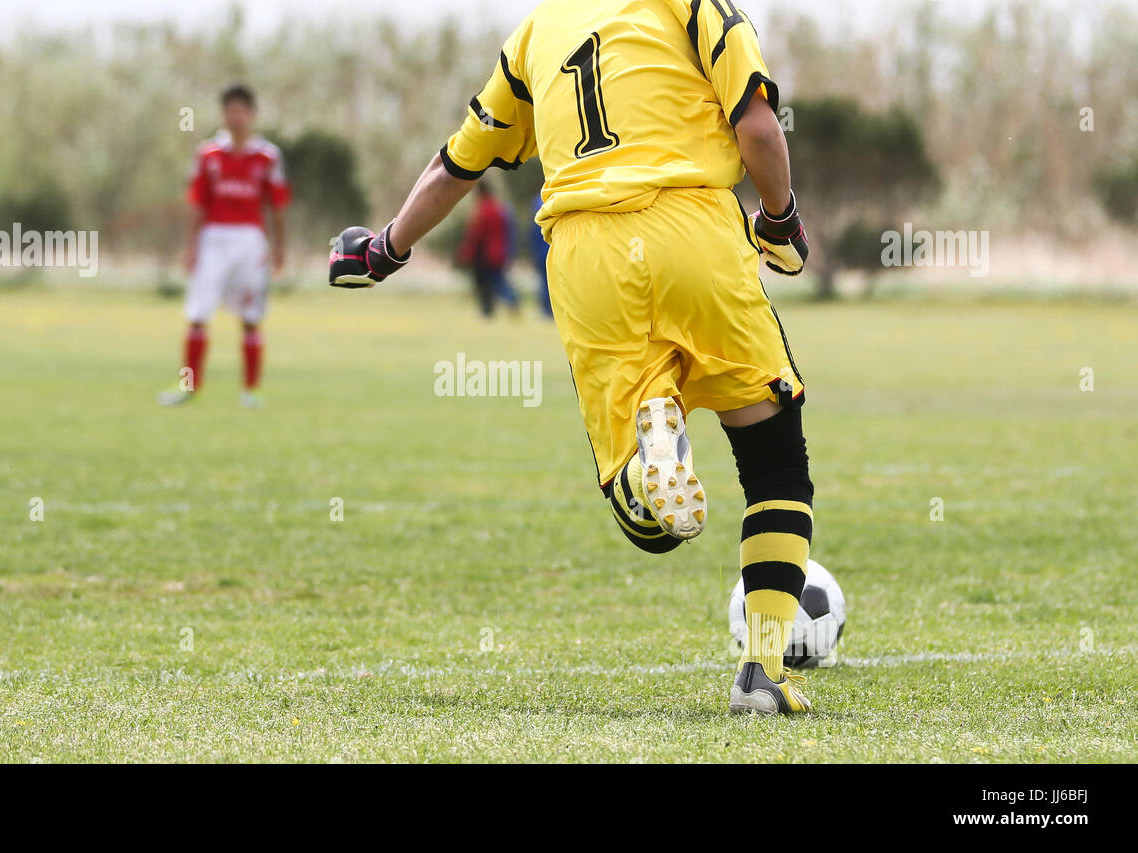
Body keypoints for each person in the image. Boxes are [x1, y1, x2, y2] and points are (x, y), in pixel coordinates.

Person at [329, 0, 813, 714]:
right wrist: (778, 217)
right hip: (694, 232)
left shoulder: (531, 36)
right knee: (775, 463)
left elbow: (455, 164)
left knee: (648, 529)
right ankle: (762, 675)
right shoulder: (692, 4)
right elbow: (758, 127)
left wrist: (385, 248)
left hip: (587, 257)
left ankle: (650, 465)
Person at [158, 84, 292, 409]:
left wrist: (278, 248)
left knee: (250, 316)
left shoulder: (267, 157)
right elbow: (198, 203)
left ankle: (252, 390)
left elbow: (277, 206)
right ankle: (190, 386)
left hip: (250, 241)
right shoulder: (208, 155)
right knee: (198, 313)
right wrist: (191, 246)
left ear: (252, 114)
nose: (236, 117)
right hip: (213, 240)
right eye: (230, 110)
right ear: (223, 114)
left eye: (242, 110)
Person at [457, 182, 519, 317]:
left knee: (487, 283)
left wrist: (467, 252)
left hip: (486, 254)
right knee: (498, 280)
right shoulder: (501, 208)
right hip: (499, 252)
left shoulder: (483, 210)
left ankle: (492, 308)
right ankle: (510, 301)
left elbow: (476, 234)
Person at [529, 194, 552, 318]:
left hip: (541, 250)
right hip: (555, 248)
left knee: (544, 282)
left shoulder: (537, 201)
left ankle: (546, 311)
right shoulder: (556, 196)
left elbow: (533, 230)